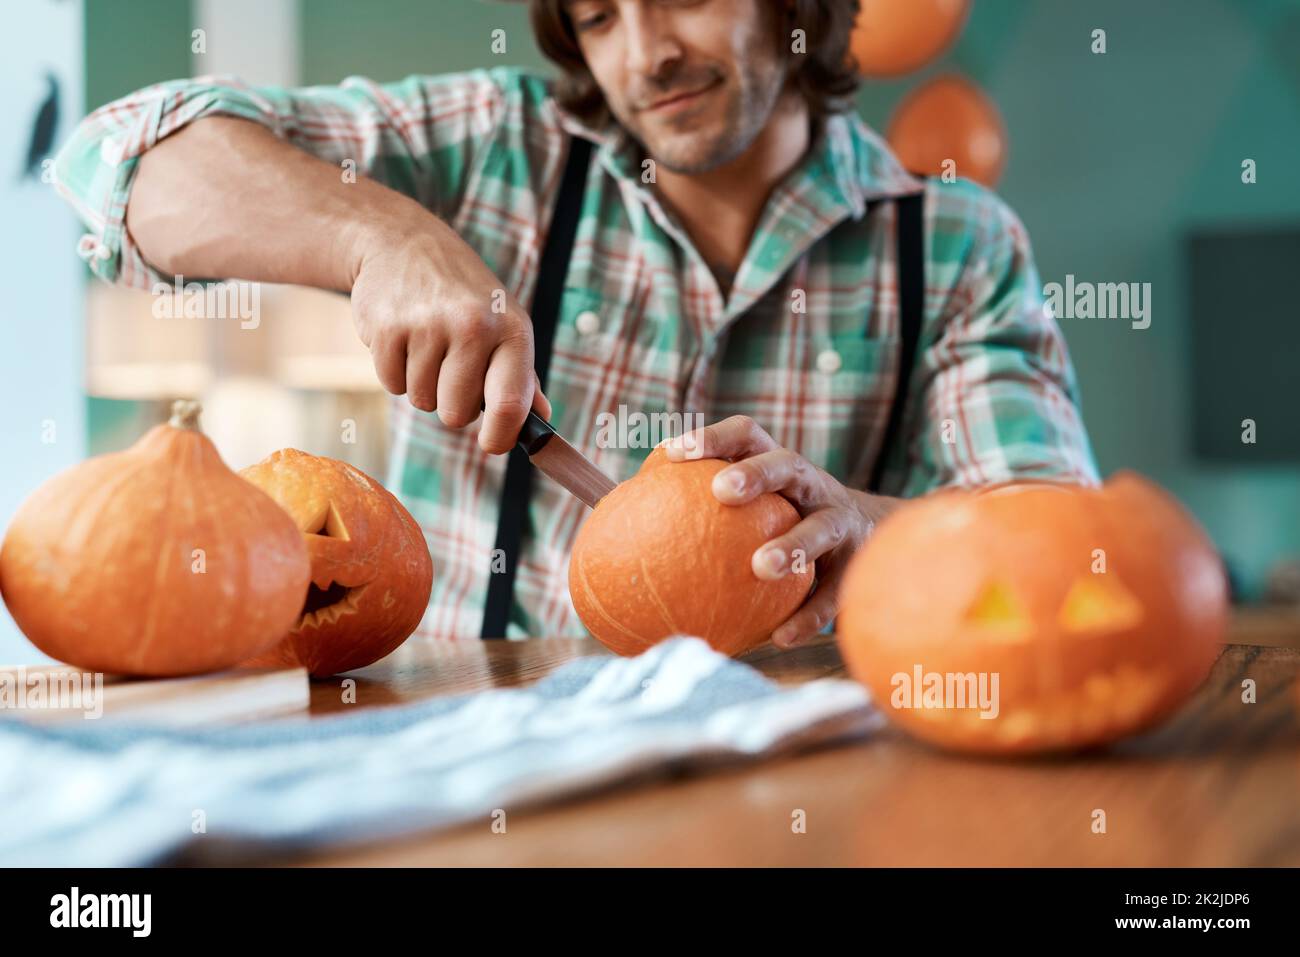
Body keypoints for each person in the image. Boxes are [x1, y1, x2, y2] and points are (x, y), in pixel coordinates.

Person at [53, 0, 1097, 645]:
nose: (643, 56)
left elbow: (1063, 543)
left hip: (792, 772)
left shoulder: (953, 241)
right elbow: (118, 161)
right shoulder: (493, 141)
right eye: (598, 15)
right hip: (473, 757)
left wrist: (863, 527)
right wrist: (381, 237)